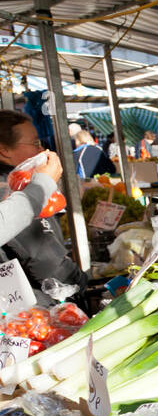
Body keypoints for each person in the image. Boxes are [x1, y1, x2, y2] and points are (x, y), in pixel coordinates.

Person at [0, 111, 86, 298]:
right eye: (35, 143)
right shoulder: (12, 189)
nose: (41, 150)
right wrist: (79, 282)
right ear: (4, 150)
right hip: (36, 309)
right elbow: (49, 264)